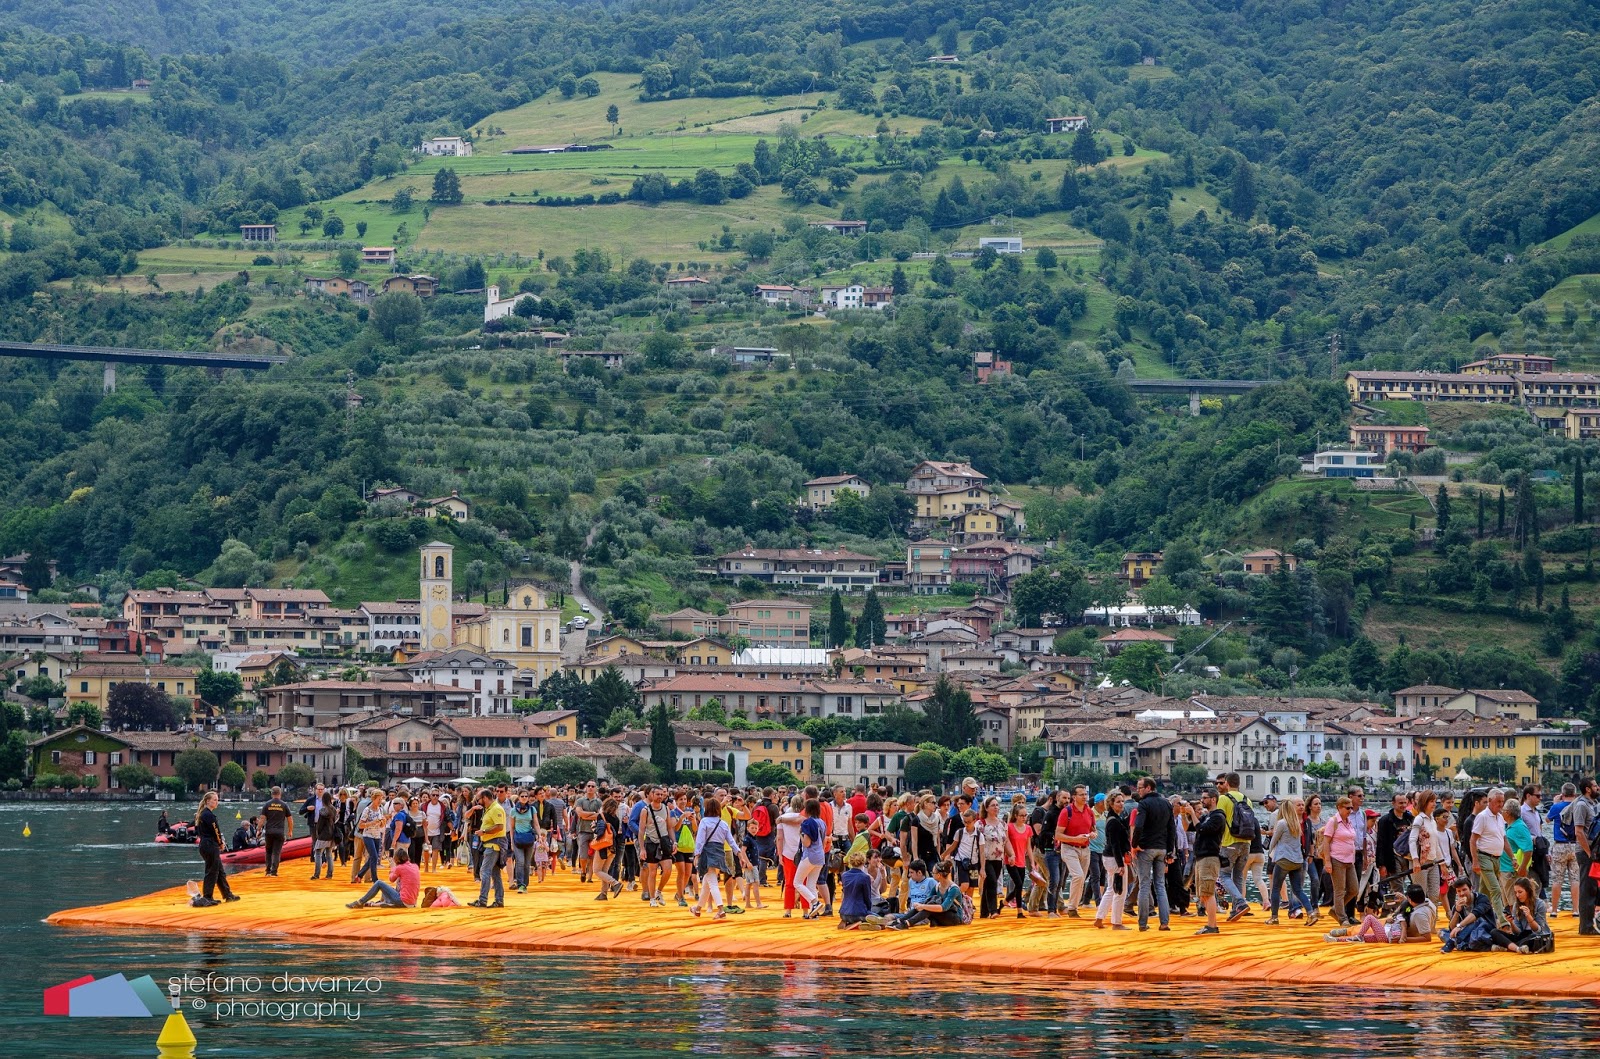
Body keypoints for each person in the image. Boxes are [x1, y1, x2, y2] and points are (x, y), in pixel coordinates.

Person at [1128, 777, 1175, 932]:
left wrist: (1134, 845)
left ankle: (1142, 923)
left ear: (1148, 788)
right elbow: (1171, 828)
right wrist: (1170, 850)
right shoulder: (1166, 803)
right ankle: (1164, 922)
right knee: (1161, 885)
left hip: (1146, 848)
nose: (1137, 790)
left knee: (1144, 885)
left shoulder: (1144, 804)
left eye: (1140, 787)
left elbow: (1139, 826)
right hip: (1162, 848)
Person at [1327, 883, 1435, 944]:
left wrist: (1403, 938)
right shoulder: (1425, 903)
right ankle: (1338, 939)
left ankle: (1348, 932)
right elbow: (1405, 914)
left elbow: (1426, 937)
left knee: (1368, 922)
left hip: (1391, 932)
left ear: (1411, 899)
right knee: (1367, 936)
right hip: (1392, 928)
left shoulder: (1418, 915)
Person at [1268, 796, 1316, 927]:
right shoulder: (1296, 823)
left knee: (1276, 888)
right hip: (1298, 860)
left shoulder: (1282, 823)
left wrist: (1270, 853)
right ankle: (1311, 913)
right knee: (1298, 889)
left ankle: (1274, 917)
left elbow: (1274, 841)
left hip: (1284, 859)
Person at [1560, 778, 1598, 935]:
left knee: (1593, 888)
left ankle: (1591, 923)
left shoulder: (1592, 804)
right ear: (1588, 789)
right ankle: (1586, 927)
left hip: (1593, 851)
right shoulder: (1582, 805)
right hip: (1585, 852)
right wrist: (1589, 852)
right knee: (1587, 888)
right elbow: (1578, 831)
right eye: (1595, 785)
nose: (1598, 787)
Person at [690, 795, 735, 920]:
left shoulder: (704, 821)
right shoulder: (723, 823)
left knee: (712, 882)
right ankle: (697, 909)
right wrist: (738, 853)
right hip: (720, 852)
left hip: (707, 853)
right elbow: (731, 841)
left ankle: (720, 910)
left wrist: (696, 855)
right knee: (707, 882)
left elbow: (700, 840)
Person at [1054, 786, 1095, 918]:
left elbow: (1093, 829)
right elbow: (1058, 835)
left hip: (1085, 848)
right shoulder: (1067, 812)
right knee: (1078, 876)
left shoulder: (1089, 811)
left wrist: (1093, 834)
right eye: (1081, 794)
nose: (1085, 797)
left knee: (1082, 878)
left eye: (1086, 794)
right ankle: (1072, 908)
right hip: (1069, 847)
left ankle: (1074, 907)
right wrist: (1075, 839)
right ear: (1074, 797)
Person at [1469, 788, 1508, 924]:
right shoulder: (1482, 817)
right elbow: (1473, 840)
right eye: (1498, 801)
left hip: (1497, 858)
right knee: (1496, 889)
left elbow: (1504, 839)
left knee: (1483, 893)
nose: (1501, 804)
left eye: (1502, 801)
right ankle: (1502, 921)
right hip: (1484, 857)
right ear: (1490, 801)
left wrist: (1512, 857)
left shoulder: (1501, 817)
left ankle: (1476, 917)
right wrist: (1475, 861)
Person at [1190, 788, 1226, 936]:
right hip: (1201, 857)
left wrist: (1192, 813)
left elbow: (1203, 830)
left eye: (1205, 798)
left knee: (1208, 892)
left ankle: (1212, 925)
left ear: (1213, 799)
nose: (1202, 800)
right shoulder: (1208, 816)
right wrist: (1188, 814)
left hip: (1209, 857)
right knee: (1203, 893)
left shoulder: (1218, 817)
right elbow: (1193, 827)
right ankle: (1210, 924)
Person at [192, 791, 238, 907]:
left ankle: (227, 894)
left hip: (205, 844)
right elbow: (216, 831)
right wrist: (220, 843)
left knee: (219, 871)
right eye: (214, 800)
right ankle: (207, 896)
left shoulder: (202, 814)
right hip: (210, 844)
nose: (217, 802)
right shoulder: (208, 815)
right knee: (212, 871)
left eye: (217, 800)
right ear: (208, 801)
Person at [888, 861, 965, 929]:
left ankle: (907, 923)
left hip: (955, 918)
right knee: (928, 903)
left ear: (939, 875)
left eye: (933, 873)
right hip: (944, 915)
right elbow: (927, 901)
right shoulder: (937, 886)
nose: (932, 874)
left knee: (929, 906)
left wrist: (923, 906)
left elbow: (943, 908)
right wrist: (919, 906)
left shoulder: (953, 889)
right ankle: (901, 921)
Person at [1093, 791, 1131, 931]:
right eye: (1118, 802)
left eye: (1122, 801)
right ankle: (1116, 922)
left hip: (1110, 857)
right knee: (1120, 890)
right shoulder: (1114, 821)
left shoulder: (1113, 818)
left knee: (1111, 889)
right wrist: (1121, 865)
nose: (1121, 804)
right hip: (1115, 858)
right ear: (1111, 804)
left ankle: (1099, 918)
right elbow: (1115, 844)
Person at [1320, 796, 1360, 926]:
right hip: (1337, 859)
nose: (1350, 810)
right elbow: (1326, 841)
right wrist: (1327, 861)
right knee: (1339, 890)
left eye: (1351, 808)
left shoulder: (1348, 822)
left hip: (1350, 860)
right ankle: (1342, 918)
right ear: (1339, 807)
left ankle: (1336, 909)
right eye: (1347, 808)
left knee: (1354, 889)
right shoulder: (1333, 821)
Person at [1490, 877, 1553, 954]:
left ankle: (1508, 947)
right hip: (1523, 935)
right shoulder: (1516, 905)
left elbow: (1538, 930)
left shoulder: (1540, 904)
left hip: (1536, 936)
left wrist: (1529, 917)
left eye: (1520, 892)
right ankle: (1517, 948)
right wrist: (1511, 923)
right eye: (1516, 892)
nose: (1517, 895)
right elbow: (1518, 932)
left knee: (1530, 939)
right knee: (1494, 932)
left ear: (1528, 891)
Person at [348, 847, 421, 909]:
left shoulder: (400, 868)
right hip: (413, 902)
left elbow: (391, 879)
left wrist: (393, 869)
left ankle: (361, 902)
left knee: (379, 883)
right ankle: (382, 903)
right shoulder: (415, 866)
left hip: (403, 901)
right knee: (385, 886)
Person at [469, 788, 507, 908]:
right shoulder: (490, 809)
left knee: (484, 871)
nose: (478, 801)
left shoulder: (496, 809)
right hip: (491, 844)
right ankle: (499, 900)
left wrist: (484, 831)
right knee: (495, 874)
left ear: (485, 798)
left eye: (479, 799)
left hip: (493, 845)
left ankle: (483, 900)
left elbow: (499, 826)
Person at [1548, 782, 1580, 919]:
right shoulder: (1578, 806)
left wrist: (1555, 802)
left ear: (1562, 794)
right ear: (1575, 793)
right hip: (1575, 845)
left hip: (1560, 845)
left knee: (1557, 878)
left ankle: (1554, 910)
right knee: (1575, 878)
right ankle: (1576, 910)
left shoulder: (1557, 807)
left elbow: (1547, 820)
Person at [1440, 876, 1496, 953]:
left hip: (1484, 931)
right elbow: (1452, 928)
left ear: (1471, 889)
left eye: (1464, 890)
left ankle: (1455, 942)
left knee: (1477, 920)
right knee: (1442, 933)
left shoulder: (1482, 898)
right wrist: (1457, 911)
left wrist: (1460, 926)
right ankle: (1463, 945)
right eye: (1459, 891)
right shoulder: (1457, 905)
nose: (1462, 894)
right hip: (1467, 934)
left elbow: (1476, 914)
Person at [794, 798, 829, 919]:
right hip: (820, 855)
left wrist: (800, 834)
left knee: (797, 882)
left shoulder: (807, 823)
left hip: (810, 855)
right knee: (811, 884)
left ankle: (815, 902)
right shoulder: (822, 822)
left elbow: (807, 843)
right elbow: (824, 840)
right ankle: (814, 912)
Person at [1499, 800, 1533, 912]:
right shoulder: (1510, 826)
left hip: (1511, 871)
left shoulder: (1519, 827)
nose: (1501, 812)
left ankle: (1518, 925)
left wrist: (1522, 868)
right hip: (1504, 869)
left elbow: (1528, 849)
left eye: (1503, 810)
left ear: (1508, 812)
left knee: (1514, 902)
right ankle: (1510, 925)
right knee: (1506, 903)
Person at [355, 790, 389, 884]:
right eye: (379, 799)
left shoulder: (380, 809)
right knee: (374, 856)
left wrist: (382, 822)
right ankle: (374, 878)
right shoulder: (367, 810)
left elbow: (381, 825)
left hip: (377, 835)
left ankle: (360, 875)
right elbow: (360, 825)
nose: (380, 801)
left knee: (373, 857)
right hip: (368, 835)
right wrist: (372, 823)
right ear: (373, 799)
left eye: (381, 798)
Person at [260, 785, 292, 877]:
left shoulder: (267, 804)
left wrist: (258, 829)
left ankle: (267, 871)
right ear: (280, 794)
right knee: (276, 852)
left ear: (271, 794)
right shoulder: (284, 805)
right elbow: (290, 819)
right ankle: (274, 872)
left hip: (269, 832)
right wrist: (290, 831)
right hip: (279, 832)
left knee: (268, 851)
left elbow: (262, 819)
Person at [837, 851, 873, 929]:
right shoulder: (865, 877)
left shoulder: (844, 875)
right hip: (858, 913)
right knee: (878, 918)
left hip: (843, 912)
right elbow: (867, 897)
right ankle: (857, 923)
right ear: (863, 862)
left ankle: (846, 921)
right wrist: (869, 911)